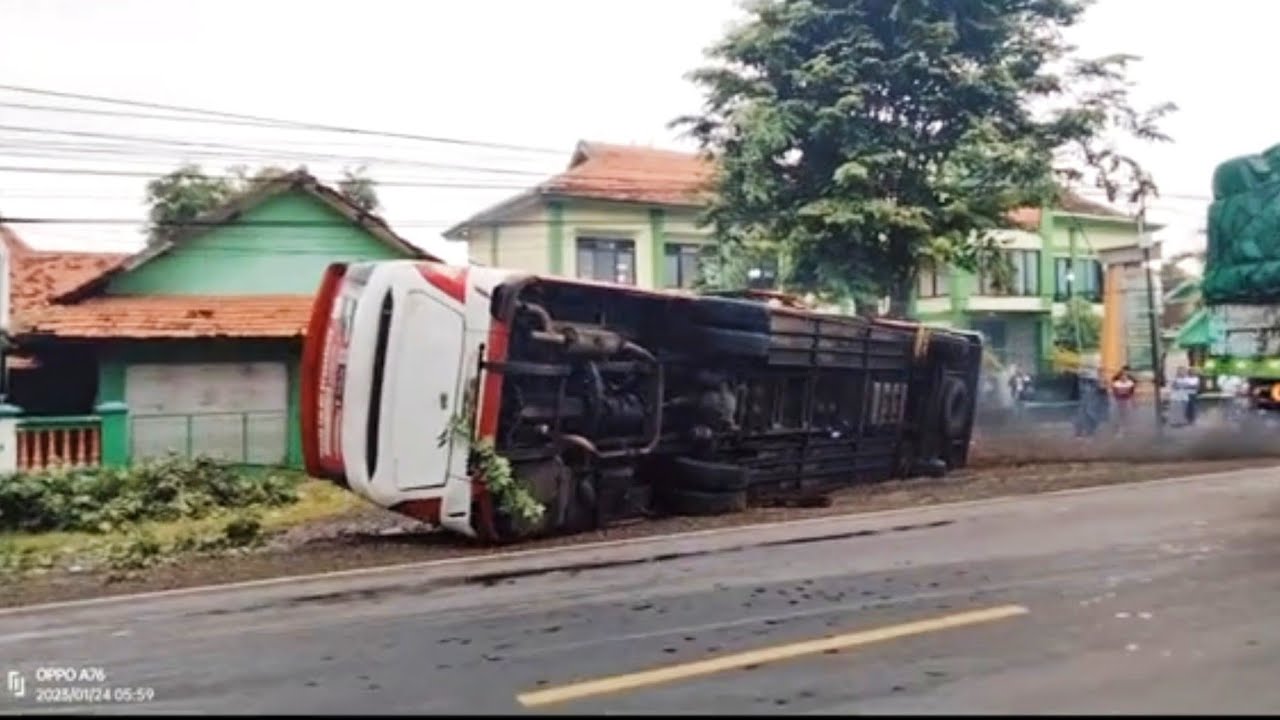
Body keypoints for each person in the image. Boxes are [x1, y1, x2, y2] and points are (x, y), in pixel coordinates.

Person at [1110, 365, 1137, 430]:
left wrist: (1133, 401)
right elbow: (1114, 388)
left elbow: (1132, 391)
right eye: (1124, 372)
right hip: (1118, 399)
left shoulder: (1131, 380)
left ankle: (1122, 426)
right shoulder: (1116, 378)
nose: (1125, 374)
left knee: (1125, 413)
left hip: (1126, 398)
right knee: (1118, 413)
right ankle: (1119, 426)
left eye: (1127, 372)